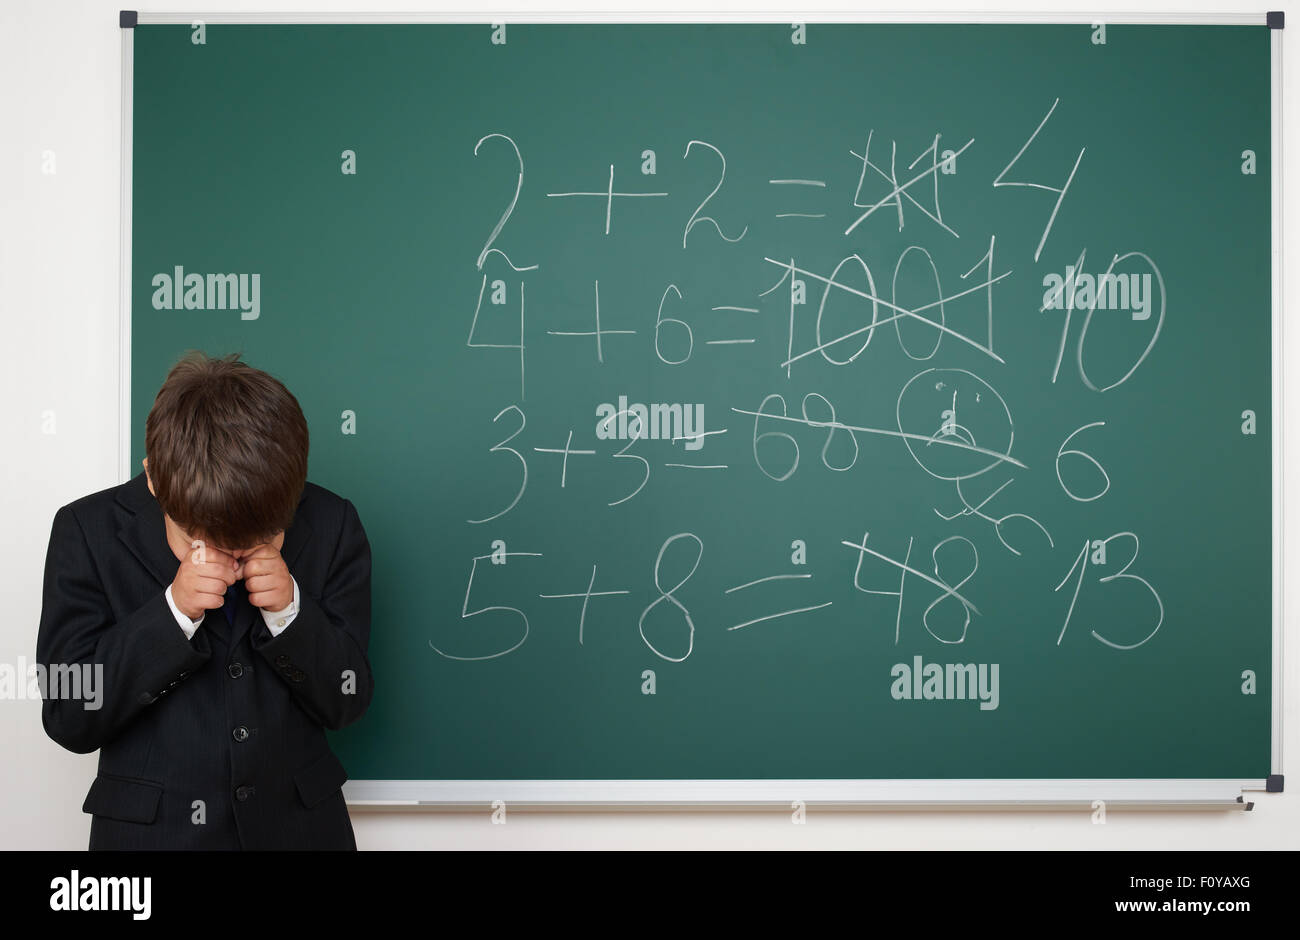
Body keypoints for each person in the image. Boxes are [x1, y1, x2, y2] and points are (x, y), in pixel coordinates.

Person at [36, 350, 373, 849]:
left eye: (259, 537)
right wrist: (172, 614)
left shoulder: (332, 522)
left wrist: (290, 613)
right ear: (154, 479)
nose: (233, 559)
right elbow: (68, 716)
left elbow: (347, 701)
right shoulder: (86, 531)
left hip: (300, 833)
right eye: (208, 539)